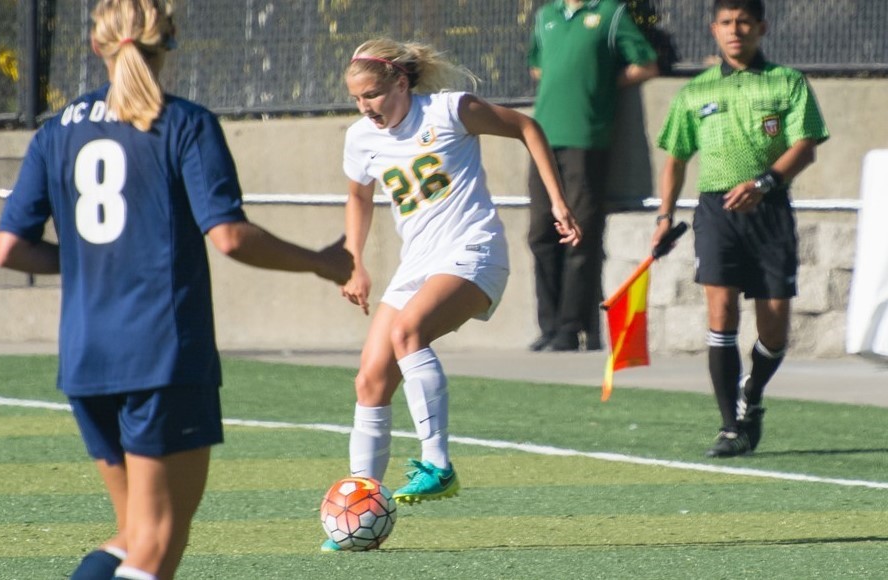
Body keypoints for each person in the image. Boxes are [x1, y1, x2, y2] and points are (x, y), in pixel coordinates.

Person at [0, 1, 352, 578]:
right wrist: (321, 263)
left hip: (87, 358)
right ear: (170, 43)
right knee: (156, 547)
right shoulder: (184, 122)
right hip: (160, 354)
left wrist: (93, 259)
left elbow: (9, 248)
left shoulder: (54, 131)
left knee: (134, 535)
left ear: (96, 46)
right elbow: (230, 237)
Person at [326, 38, 581, 550]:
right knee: (371, 378)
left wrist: (557, 200)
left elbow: (527, 127)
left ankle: (438, 462)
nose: (366, 108)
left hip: (474, 251)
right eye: (357, 99)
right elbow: (358, 197)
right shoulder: (361, 138)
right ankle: (361, 504)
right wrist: (355, 262)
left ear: (401, 83)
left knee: (407, 331)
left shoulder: (449, 110)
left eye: (373, 95)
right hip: (416, 264)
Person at [653, 0, 829, 458]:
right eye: (727, 23)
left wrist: (765, 182)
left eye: (744, 22)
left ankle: (752, 396)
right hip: (716, 213)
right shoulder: (696, 91)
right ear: (714, 30)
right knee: (722, 313)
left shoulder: (787, 82)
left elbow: (805, 147)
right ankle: (730, 426)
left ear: (761, 28)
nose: (736, 31)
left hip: (769, 211)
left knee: (775, 328)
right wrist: (663, 218)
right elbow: (675, 158)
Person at [527, 0, 659, 352]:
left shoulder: (610, 13)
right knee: (541, 234)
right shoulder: (546, 16)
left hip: (586, 140)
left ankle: (572, 329)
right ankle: (549, 325)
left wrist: (602, 81)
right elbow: (537, 67)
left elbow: (645, 64)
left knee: (580, 235)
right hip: (542, 138)